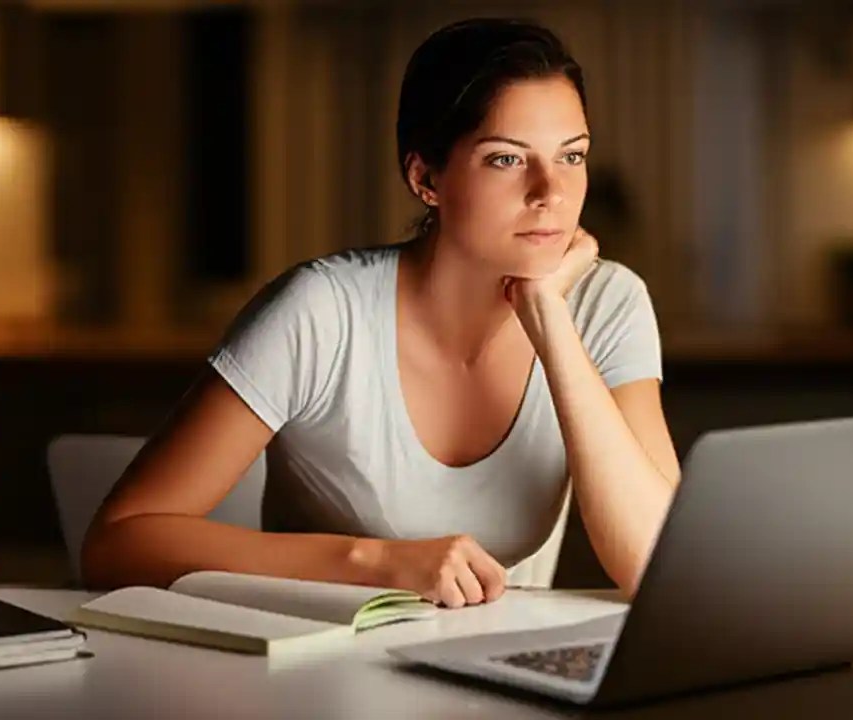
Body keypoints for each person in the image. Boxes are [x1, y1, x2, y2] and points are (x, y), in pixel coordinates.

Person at [82, 18, 680, 607]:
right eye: (506, 159)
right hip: (320, 674)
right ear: (426, 178)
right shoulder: (322, 312)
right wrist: (373, 561)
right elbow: (116, 542)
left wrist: (550, 319)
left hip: (503, 675)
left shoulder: (608, 304)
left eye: (571, 157)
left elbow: (661, 570)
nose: (550, 190)